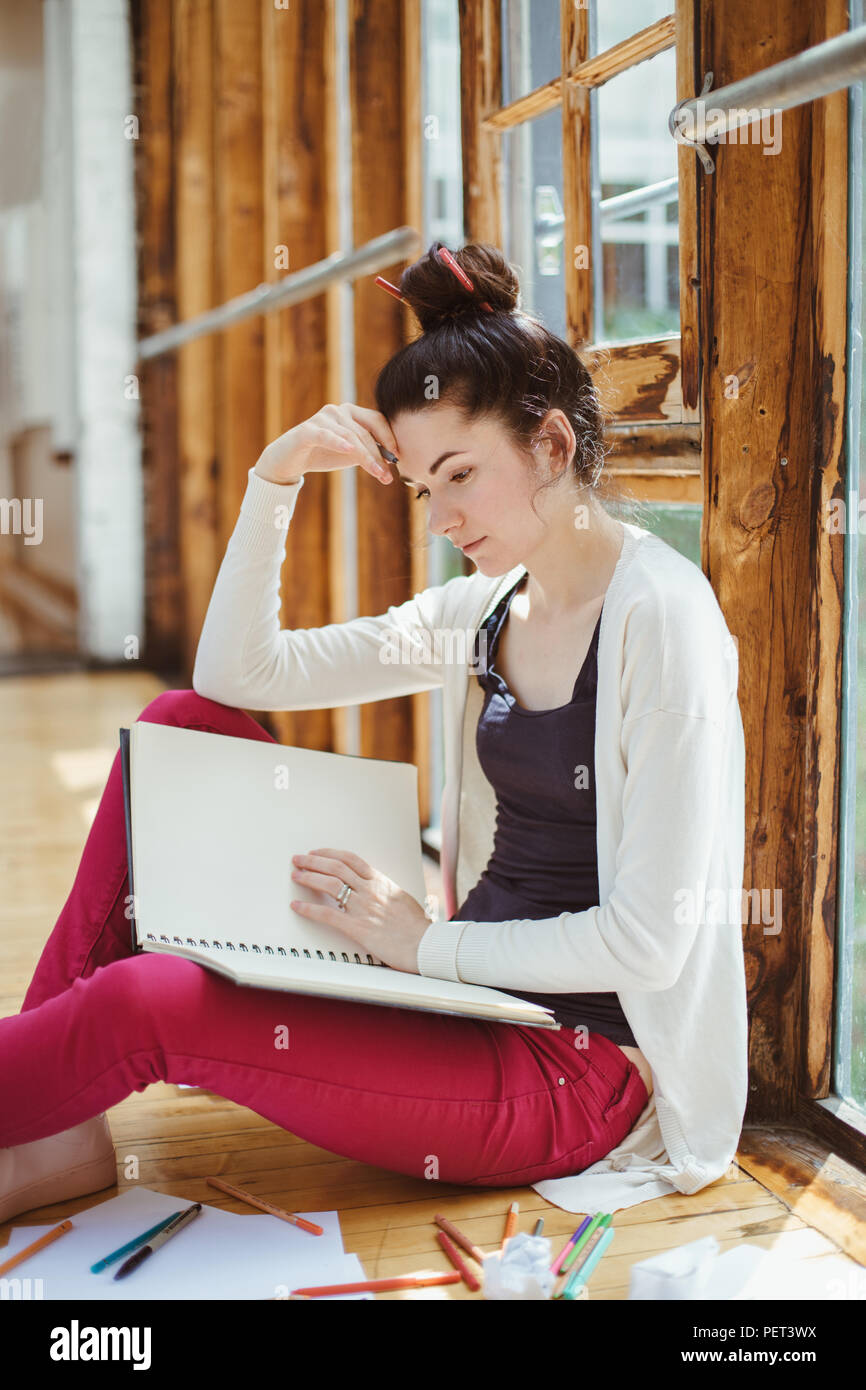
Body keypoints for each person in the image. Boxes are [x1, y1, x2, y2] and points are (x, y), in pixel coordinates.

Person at [0, 241, 747, 1224]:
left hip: (570, 1068)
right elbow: (236, 677)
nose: (438, 517)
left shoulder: (661, 617)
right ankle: (48, 1126)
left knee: (145, 1001)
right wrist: (278, 476)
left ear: (553, 448)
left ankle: (38, 1116)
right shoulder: (484, 607)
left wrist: (425, 943)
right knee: (181, 724)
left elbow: (649, 944)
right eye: (420, 487)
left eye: (458, 476)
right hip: (452, 986)